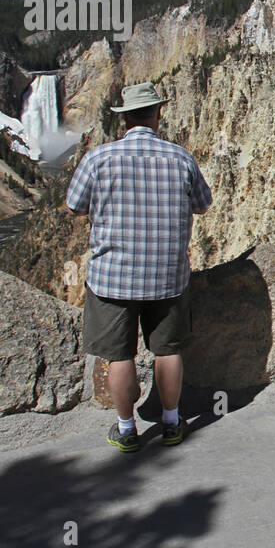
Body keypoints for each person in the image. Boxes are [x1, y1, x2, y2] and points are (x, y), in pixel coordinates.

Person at [64, 82, 212, 452]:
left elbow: (74, 205)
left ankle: (127, 428)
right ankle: (173, 423)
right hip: (167, 275)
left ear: (124, 118)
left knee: (119, 356)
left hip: (113, 276)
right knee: (168, 350)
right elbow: (203, 203)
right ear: (158, 114)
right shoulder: (180, 158)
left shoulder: (98, 158)